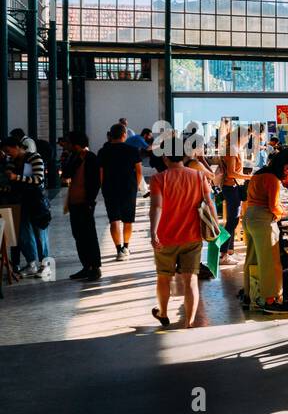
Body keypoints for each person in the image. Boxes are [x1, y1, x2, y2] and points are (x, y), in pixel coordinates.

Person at [149, 146, 215, 328]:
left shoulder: (158, 179)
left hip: (165, 238)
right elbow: (209, 203)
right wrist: (215, 228)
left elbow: (156, 207)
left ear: (165, 158)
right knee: (191, 280)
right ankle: (190, 322)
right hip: (192, 237)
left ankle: (162, 313)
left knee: (163, 278)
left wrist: (153, 232)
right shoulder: (198, 176)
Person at [240, 151, 288, 314]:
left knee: (251, 258)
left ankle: (249, 294)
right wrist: (286, 213)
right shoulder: (272, 179)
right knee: (270, 261)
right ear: (284, 165)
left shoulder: (258, 175)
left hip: (250, 217)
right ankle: (270, 299)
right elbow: (273, 206)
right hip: (263, 220)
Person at [2, 132, 51, 277]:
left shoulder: (34, 157)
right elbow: (12, 185)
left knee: (39, 233)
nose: (7, 153)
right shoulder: (12, 162)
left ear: (17, 147)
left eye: (8, 150)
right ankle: (31, 264)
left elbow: (38, 179)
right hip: (20, 202)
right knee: (24, 235)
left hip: (36, 202)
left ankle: (45, 264)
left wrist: (16, 177)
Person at [97, 123, 144, 261]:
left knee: (114, 220)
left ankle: (118, 250)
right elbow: (139, 172)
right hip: (128, 188)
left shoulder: (103, 151)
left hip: (110, 188)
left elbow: (101, 173)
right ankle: (126, 247)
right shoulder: (133, 150)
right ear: (124, 135)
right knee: (128, 220)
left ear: (111, 135)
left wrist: (102, 187)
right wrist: (136, 186)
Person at [60, 131, 102, 281]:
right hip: (74, 203)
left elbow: (96, 182)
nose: (67, 145)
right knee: (78, 235)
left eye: (69, 143)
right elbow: (66, 174)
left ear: (76, 144)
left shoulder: (91, 158)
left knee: (89, 235)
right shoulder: (74, 157)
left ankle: (95, 267)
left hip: (85, 203)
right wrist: (70, 160)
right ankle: (86, 266)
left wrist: (90, 201)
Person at [216, 140, 249, 266]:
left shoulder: (233, 149)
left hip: (232, 187)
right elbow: (231, 173)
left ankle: (229, 251)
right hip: (231, 187)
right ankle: (223, 254)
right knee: (232, 221)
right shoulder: (232, 150)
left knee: (233, 221)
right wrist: (250, 177)